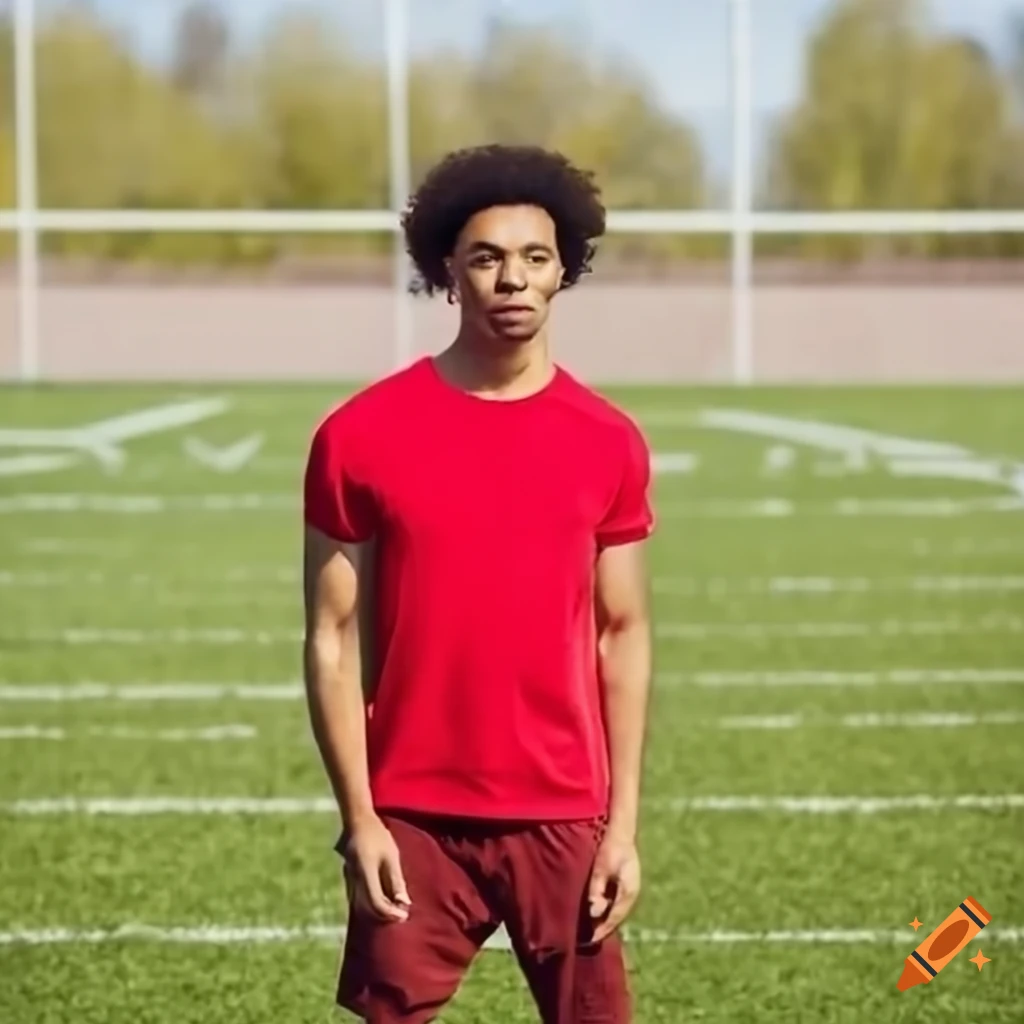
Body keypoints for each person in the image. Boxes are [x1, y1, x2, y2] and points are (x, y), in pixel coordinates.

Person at [302, 143, 656, 1024]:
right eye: (487, 258)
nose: (514, 279)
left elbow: (622, 633)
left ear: (564, 271)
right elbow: (332, 638)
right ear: (448, 273)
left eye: (536, 257)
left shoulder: (608, 439)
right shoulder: (359, 435)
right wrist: (361, 819)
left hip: (563, 811)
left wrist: (622, 827)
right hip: (412, 812)